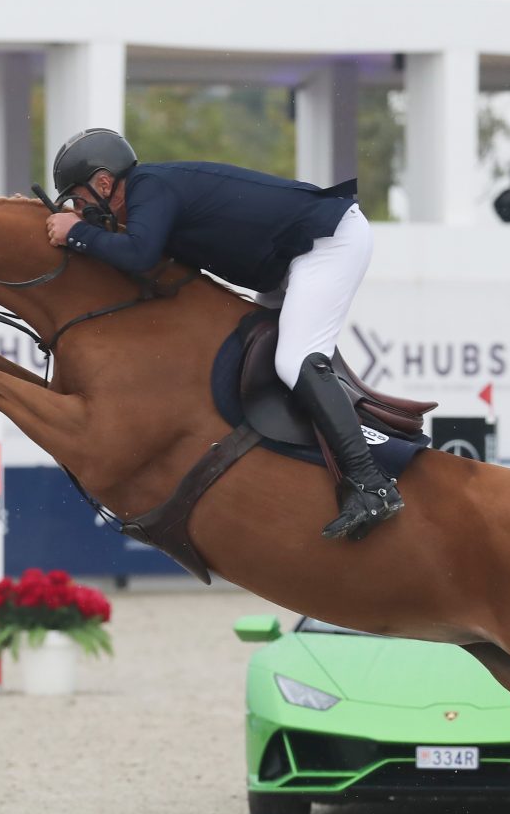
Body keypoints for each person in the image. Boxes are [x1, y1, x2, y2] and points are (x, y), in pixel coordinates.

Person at [45, 128, 400, 540]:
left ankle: (372, 484)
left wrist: (76, 233)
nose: (79, 209)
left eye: (78, 198)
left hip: (326, 243)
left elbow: (139, 255)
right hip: (290, 260)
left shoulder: (150, 188)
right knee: (248, 356)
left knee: (294, 361)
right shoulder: (147, 194)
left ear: (105, 183)